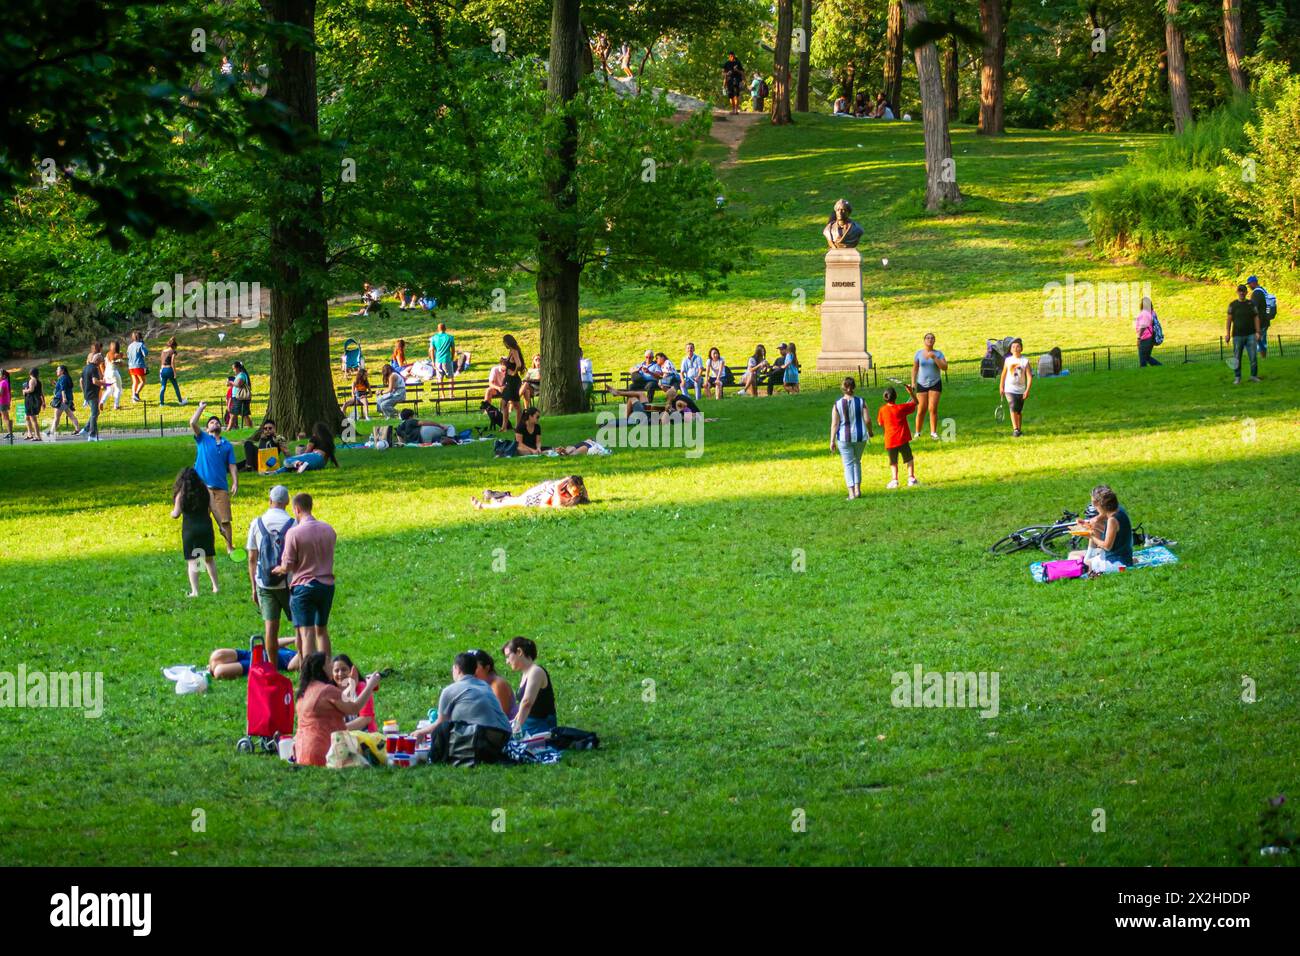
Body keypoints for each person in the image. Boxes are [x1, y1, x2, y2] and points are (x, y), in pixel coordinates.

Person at [407, 652, 512, 763]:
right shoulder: (485, 686)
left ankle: (435, 759)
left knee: (442, 729)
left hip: (482, 736)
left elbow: (440, 723)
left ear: (457, 669)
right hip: (503, 737)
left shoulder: (450, 690)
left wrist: (421, 732)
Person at [272, 492, 337, 662]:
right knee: (321, 630)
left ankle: (310, 674)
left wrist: (279, 569)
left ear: (297, 509)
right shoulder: (329, 529)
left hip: (304, 587)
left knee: (306, 632)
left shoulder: (294, 533)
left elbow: (288, 566)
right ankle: (327, 668)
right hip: (326, 586)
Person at [293, 652, 380, 766]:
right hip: (324, 753)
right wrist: (370, 685)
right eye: (329, 662)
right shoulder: (327, 690)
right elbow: (354, 708)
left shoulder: (304, 691)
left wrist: (351, 686)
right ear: (322, 668)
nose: (332, 665)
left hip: (301, 754)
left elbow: (340, 702)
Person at [247, 483, 295, 647]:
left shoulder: (256, 523)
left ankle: (272, 668)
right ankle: (304, 664)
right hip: (289, 583)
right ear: (287, 502)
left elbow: (252, 558)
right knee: (300, 627)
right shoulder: (293, 524)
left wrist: (254, 587)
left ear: (270, 501)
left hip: (264, 583)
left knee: (270, 630)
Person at [190, 402, 238, 554]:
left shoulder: (227, 445)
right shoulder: (202, 438)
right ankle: (200, 548)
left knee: (225, 520)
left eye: (217, 422)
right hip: (202, 488)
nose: (215, 423)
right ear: (206, 428)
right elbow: (192, 422)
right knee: (201, 520)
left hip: (220, 488)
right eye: (211, 422)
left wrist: (235, 482)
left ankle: (229, 547)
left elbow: (232, 465)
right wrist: (201, 408)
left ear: (221, 427)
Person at [170, 466, 219, 596]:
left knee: (193, 560)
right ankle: (215, 587)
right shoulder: (206, 491)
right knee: (209, 558)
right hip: (206, 528)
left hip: (190, 530)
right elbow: (214, 509)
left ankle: (195, 591)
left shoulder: (181, 494)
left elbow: (175, 514)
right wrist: (221, 527)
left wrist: (171, 512)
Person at [1068, 484, 1134, 573]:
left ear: (1097, 503)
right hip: (1123, 556)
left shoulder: (1112, 520)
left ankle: (1092, 557)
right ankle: (1094, 555)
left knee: (1081, 563)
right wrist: (1088, 523)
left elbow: (1107, 546)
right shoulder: (1118, 509)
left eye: (1094, 504)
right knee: (1072, 555)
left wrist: (1091, 536)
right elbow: (1102, 515)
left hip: (1116, 562)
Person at [503, 637, 556, 736]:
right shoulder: (526, 673)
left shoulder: (536, 671)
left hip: (540, 726)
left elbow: (527, 702)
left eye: (508, 656)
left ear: (519, 652)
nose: (507, 661)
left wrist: (516, 728)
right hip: (529, 723)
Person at [830, 376, 872, 500]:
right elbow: (867, 420)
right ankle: (858, 490)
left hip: (844, 437)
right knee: (857, 462)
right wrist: (870, 431)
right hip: (860, 436)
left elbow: (834, 424)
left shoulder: (837, 404)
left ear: (843, 388)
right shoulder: (861, 401)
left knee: (848, 464)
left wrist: (832, 440)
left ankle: (851, 493)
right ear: (854, 387)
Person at [877, 383, 919, 489]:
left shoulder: (882, 410)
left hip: (890, 440)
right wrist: (911, 392)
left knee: (893, 461)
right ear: (896, 397)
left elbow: (880, 423)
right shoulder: (901, 408)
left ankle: (894, 480)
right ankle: (911, 478)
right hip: (902, 439)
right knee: (909, 458)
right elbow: (916, 402)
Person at [208, 636, 299, 680]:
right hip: (252, 652)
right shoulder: (292, 651)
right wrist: (295, 638)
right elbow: (272, 643)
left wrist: (303, 649)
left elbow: (291, 667)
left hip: (258, 663)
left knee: (219, 671)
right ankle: (209, 671)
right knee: (216, 655)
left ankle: (211, 672)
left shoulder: (303, 657)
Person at [471, 475, 589, 509]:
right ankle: (498, 497)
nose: (578, 491)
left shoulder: (571, 498)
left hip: (540, 498)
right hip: (544, 491)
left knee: (515, 502)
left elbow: (546, 505)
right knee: (517, 499)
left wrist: (557, 487)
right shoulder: (563, 486)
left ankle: (486, 505)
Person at [911, 333, 948, 439]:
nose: (930, 340)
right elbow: (915, 369)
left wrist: (934, 358)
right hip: (921, 383)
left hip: (935, 383)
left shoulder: (938, 354)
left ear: (934, 341)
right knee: (921, 409)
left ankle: (933, 433)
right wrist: (913, 382)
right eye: (928, 338)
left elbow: (945, 367)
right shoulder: (918, 354)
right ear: (924, 340)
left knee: (932, 408)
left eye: (932, 338)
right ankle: (917, 433)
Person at [332, 655, 378, 732]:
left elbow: (366, 718)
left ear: (351, 670)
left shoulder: (362, 687)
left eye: (344, 670)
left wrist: (339, 729)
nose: (340, 674)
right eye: (336, 671)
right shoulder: (330, 690)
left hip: (365, 735)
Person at [1226, 284, 1260, 384]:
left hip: (1251, 335)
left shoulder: (1251, 304)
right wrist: (1227, 334)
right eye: (1239, 291)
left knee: (1253, 357)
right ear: (1237, 292)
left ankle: (1253, 376)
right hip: (1237, 335)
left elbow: (1256, 318)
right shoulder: (1233, 305)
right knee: (1237, 358)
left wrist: (1258, 332)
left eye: (1243, 291)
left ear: (1246, 292)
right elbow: (1228, 320)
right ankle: (1237, 377)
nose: (1241, 292)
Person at [272, 422, 339, 473]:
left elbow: (307, 451)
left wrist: (301, 453)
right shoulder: (329, 442)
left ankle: (300, 464)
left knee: (287, 460)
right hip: (321, 464)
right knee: (290, 466)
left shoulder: (314, 438)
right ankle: (274, 473)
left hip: (315, 456)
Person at [471, 649, 517, 721]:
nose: (470, 671)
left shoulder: (498, 685)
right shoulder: (478, 684)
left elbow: (500, 717)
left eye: (474, 667)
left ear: (487, 668)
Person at [999, 338, 1032, 437]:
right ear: (1010, 349)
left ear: (1021, 348)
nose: (1015, 348)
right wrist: (1001, 386)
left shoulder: (1025, 361)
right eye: (1013, 347)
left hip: (1021, 389)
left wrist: (1027, 390)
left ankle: (1019, 429)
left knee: (1018, 411)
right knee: (1012, 407)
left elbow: (1029, 376)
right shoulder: (1008, 360)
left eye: (1017, 346)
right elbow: (1003, 374)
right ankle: (1015, 429)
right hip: (1009, 389)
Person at [46, 365, 80, 439]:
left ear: (62, 371)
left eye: (58, 370)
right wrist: (56, 384)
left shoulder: (63, 378)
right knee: (71, 415)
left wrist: (64, 398)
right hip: (67, 400)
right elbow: (63, 387)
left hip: (61, 400)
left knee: (56, 417)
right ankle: (77, 430)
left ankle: (51, 432)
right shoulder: (66, 377)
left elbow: (63, 389)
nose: (56, 371)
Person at [501, 334, 526, 431]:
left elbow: (518, 364)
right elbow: (512, 364)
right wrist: (504, 361)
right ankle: (505, 426)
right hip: (509, 380)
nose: (504, 344)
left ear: (507, 342)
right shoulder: (511, 351)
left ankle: (517, 426)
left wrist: (513, 373)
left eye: (504, 342)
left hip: (513, 381)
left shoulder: (514, 351)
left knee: (514, 404)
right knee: (505, 403)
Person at [79, 352, 106, 441]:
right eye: (100, 362)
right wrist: (104, 383)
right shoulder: (94, 368)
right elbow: (94, 381)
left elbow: (81, 381)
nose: (100, 364)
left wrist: (84, 393)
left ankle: (85, 430)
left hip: (87, 394)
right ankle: (92, 435)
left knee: (96, 413)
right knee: (94, 414)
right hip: (93, 394)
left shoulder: (85, 368)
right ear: (97, 360)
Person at [1247, 275, 1275, 358]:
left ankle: (1261, 358)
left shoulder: (1256, 293)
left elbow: (1253, 309)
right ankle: (1263, 359)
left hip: (1260, 322)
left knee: (1258, 341)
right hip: (1265, 320)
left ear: (1253, 283)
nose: (1248, 286)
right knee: (1261, 341)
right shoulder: (1263, 290)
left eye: (1249, 283)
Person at [429, 322, 456, 395]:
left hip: (438, 360)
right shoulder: (450, 337)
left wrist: (433, 361)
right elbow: (453, 349)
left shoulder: (433, 338)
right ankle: (451, 394)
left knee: (440, 378)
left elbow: (431, 350)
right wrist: (452, 358)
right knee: (450, 377)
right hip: (447, 359)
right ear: (445, 329)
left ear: (438, 329)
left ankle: (442, 395)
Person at [1135, 297, 1161, 368]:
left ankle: (1159, 366)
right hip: (1151, 337)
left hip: (1145, 338)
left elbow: (1143, 326)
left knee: (1143, 360)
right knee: (1146, 357)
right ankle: (1160, 366)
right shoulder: (1152, 312)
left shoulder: (1144, 313)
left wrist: (1138, 338)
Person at [98, 341, 124, 411]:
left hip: (107, 373)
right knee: (118, 388)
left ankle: (102, 402)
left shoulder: (108, 354)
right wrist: (121, 357)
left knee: (109, 389)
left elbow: (106, 363)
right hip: (114, 372)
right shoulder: (116, 355)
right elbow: (121, 364)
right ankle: (116, 405)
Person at [158, 337, 184, 405]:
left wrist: (161, 371)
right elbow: (172, 362)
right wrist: (174, 373)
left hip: (163, 370)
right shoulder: (173, 351)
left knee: (163, 386)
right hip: (169, 370)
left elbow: (162, 361)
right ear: (174, 346)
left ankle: (161, 403)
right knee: (175, 386)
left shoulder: (163, 351)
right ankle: (180, 401)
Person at [228, 361, 252, 428]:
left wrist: (231, 382)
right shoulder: (240, 375)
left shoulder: (241, 375)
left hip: (239, 398)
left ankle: (228, 430)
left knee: (234, 415)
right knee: (244, 415)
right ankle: (250, 428)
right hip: (237, 397)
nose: (233, 370)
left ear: (238, 368)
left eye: (234, 368)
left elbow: (238, 384)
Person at [21, 368, 44, 441]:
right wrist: (43, 402)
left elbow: (31, 390)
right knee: (27, 417)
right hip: (35, 400)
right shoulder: (39, 381)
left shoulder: (32, 380)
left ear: (30, 373)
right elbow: (41, 393)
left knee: (33, 419)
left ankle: (38, 436)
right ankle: (29, 434)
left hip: (31, 401)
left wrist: (25, 391)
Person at [126, 330, 148, 402]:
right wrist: (143, 346)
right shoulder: (140, 345)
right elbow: (145, 354)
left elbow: (128, 355)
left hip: (131, 366)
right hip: (138, 365)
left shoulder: (129, 346)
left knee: (135, 382)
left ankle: (134, 398)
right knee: (143, 382)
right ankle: (136, 394)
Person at [0, 370, 11, 440]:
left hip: (3, 402)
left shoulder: (3, 382)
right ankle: (10, 433)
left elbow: (0, 393)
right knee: (6, 418)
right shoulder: (3, 382)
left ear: (4, 376)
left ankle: (10, 433)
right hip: (4, 402)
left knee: (5, 418)